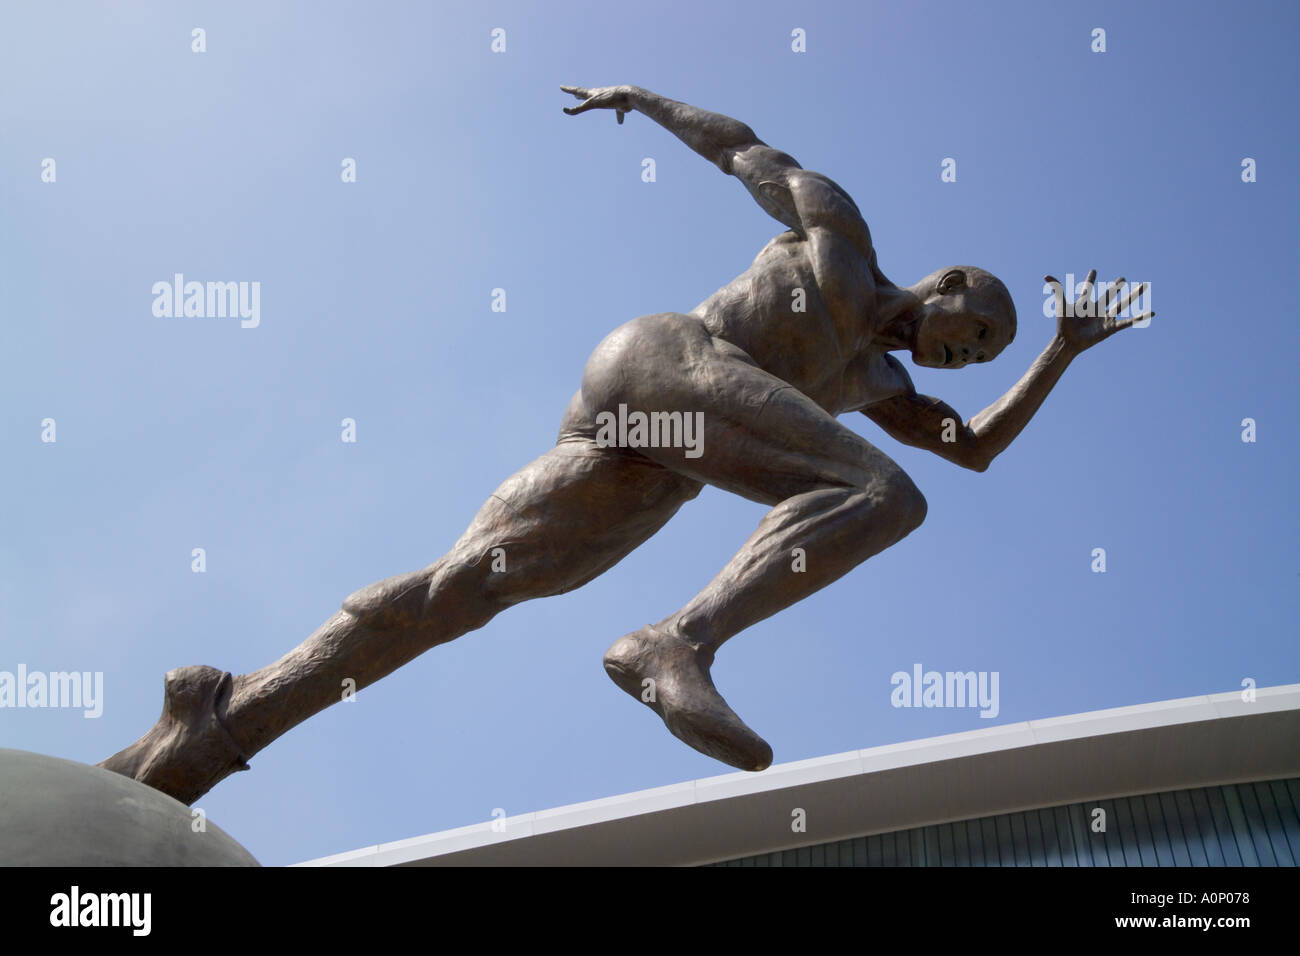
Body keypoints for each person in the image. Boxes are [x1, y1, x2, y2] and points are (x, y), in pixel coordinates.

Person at [100, 85, 1151, 804]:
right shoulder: (840, 243)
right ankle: (677, 642)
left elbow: (969, 450)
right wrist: (643, 101)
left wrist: (1057, 355)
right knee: (881, 491)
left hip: (657, 463)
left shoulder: (880, 384)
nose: (958, 356)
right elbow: (748, 151)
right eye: (970, 334)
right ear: (951, 283)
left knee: (461, 592)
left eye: (971, 359)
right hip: (657, 366)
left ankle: (214, 721)